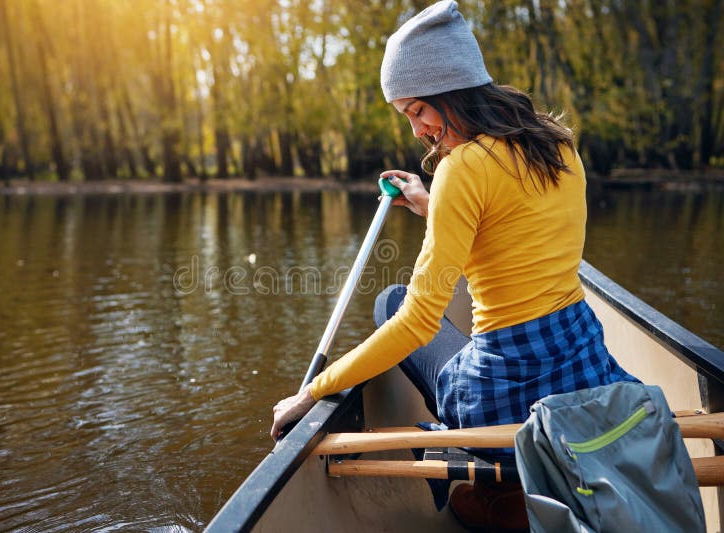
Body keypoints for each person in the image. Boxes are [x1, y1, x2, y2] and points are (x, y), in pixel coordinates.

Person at [270, 1, 638, 529]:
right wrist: (430, 204)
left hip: (505, 398)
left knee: (392, 302)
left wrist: (312, 390)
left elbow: (419, 320)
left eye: (418, 110)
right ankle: (518, 483)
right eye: (408, 116)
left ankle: (503, 489)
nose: (418, 129)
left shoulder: (461, 168)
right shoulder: (558, 145)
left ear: (451, 90)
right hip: (583, 369)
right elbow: (514, 234)